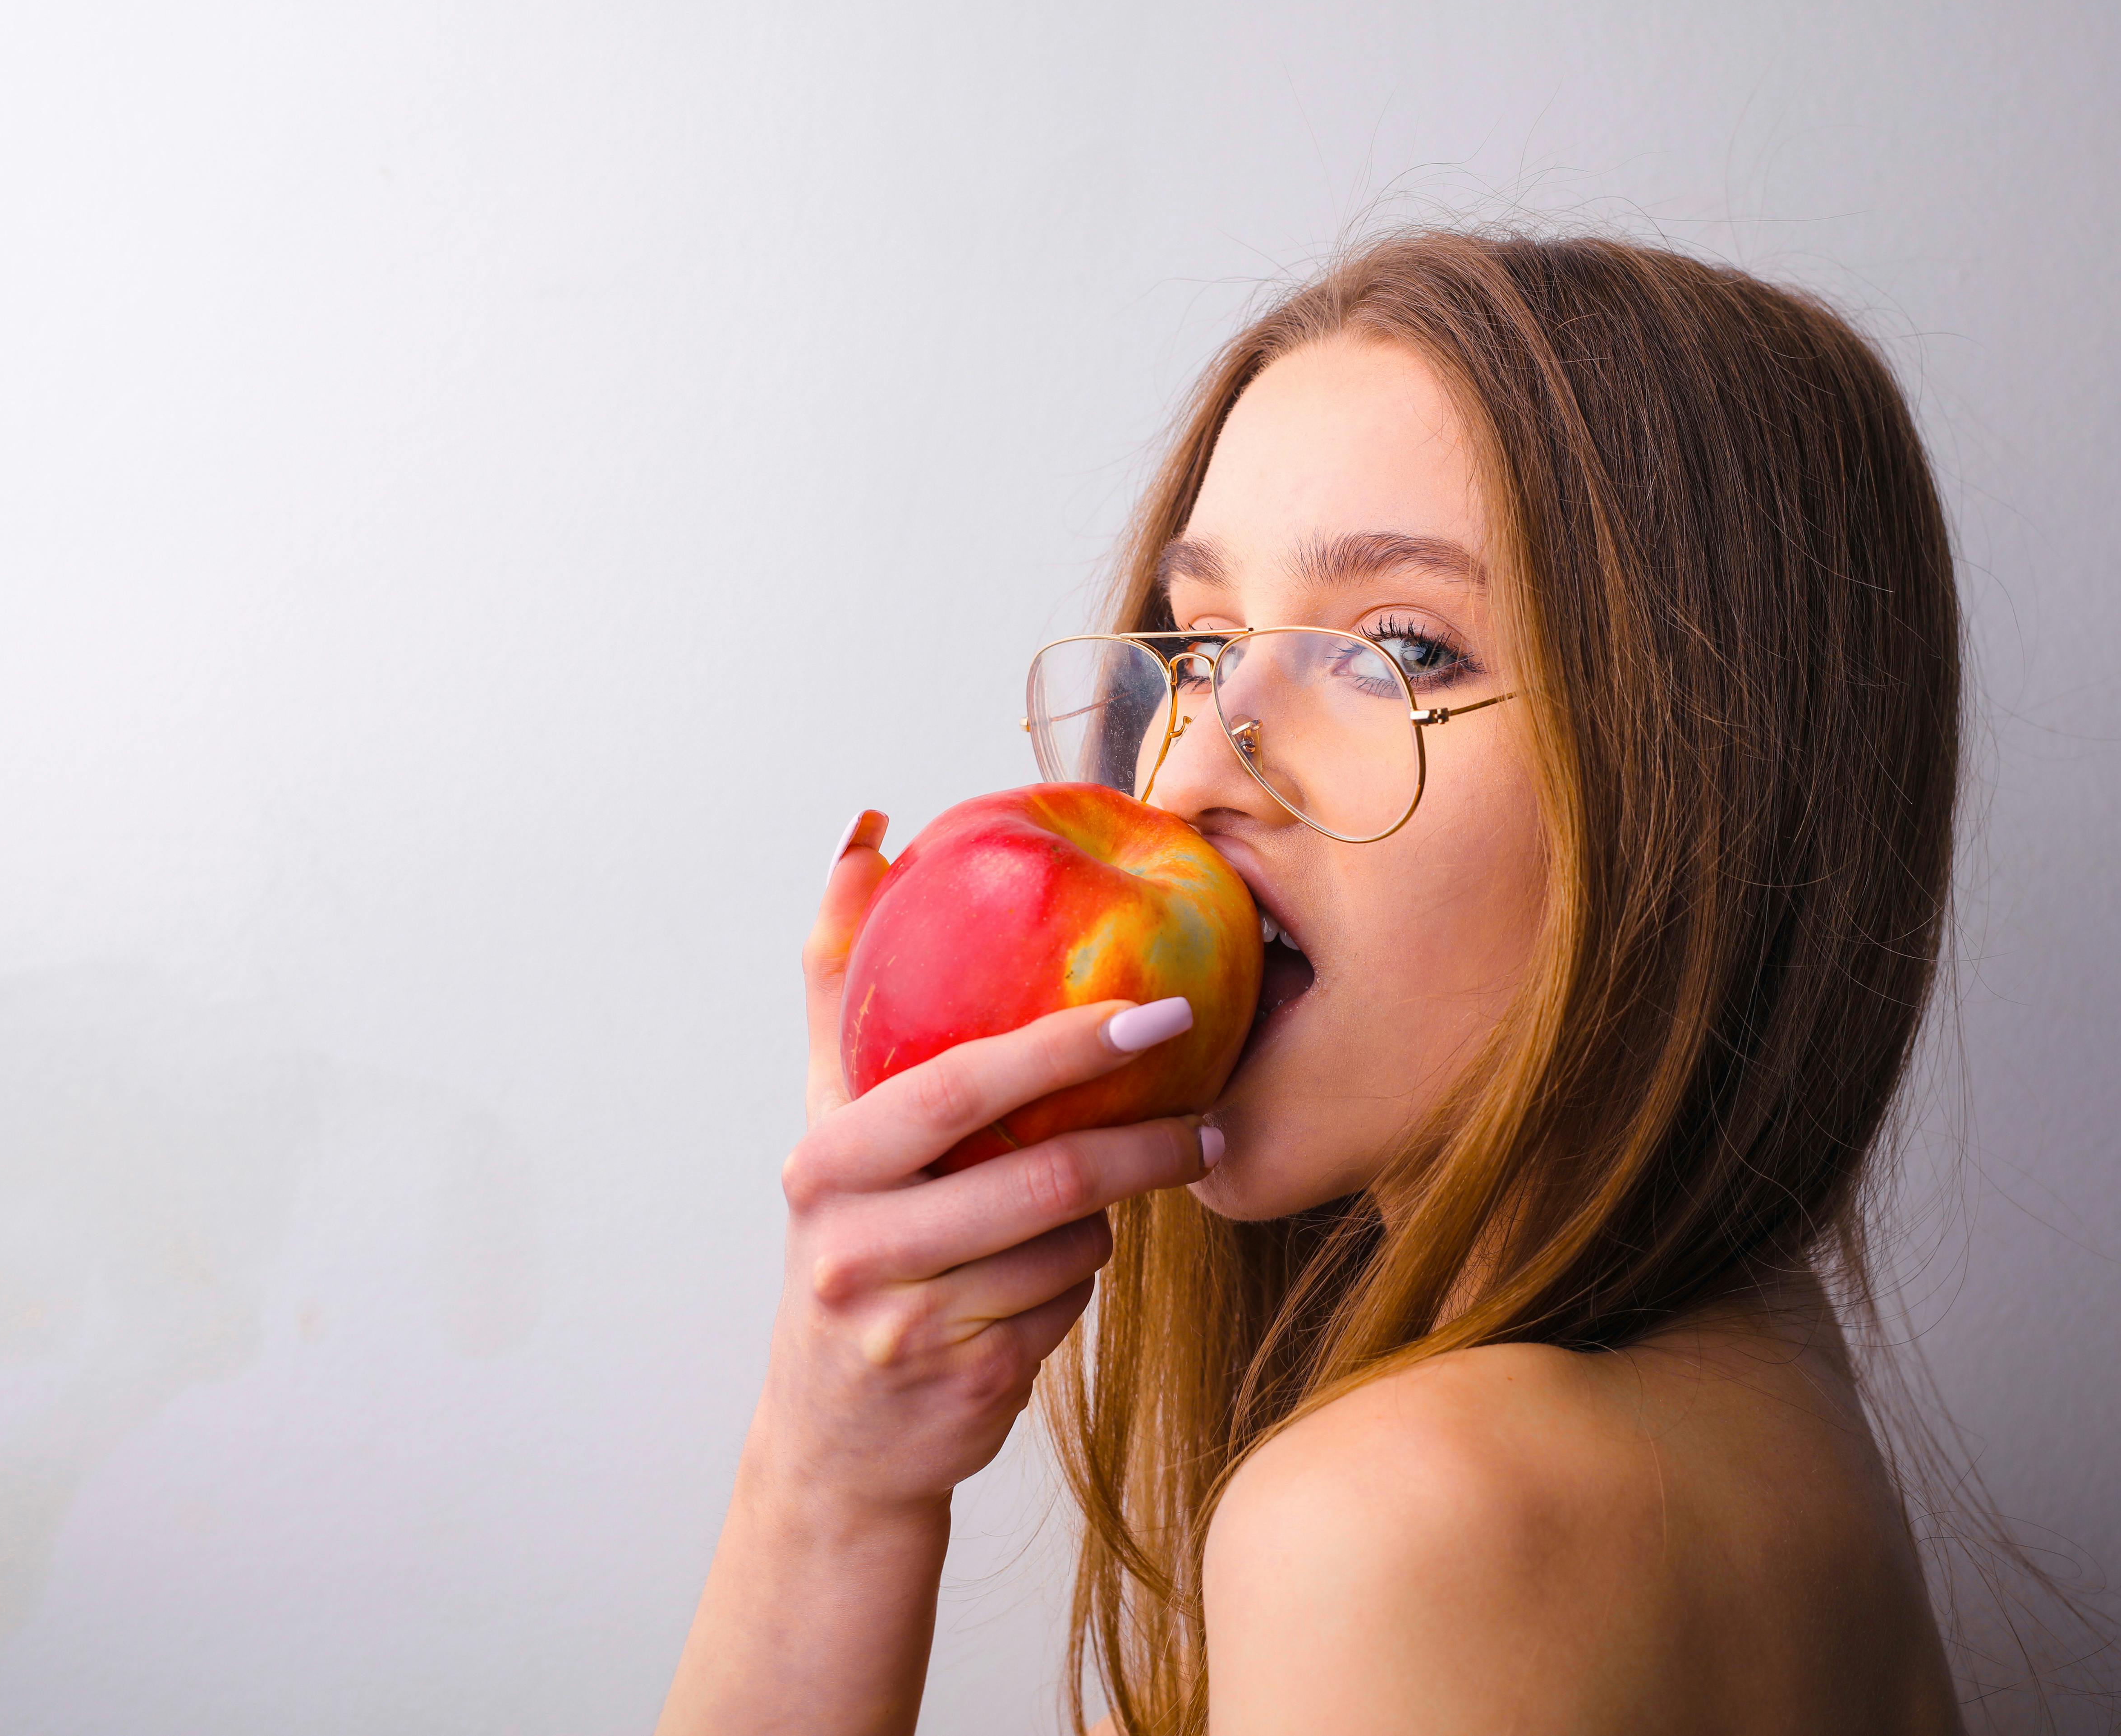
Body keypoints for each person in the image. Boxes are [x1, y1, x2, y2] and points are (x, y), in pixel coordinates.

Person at [660, 230, 1974, 1734]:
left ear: (1715, 790)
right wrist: (840, 1460)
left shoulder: (1402, 1521)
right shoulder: (1759, 1399)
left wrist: (820, 1496)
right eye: (1204, 642)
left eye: (1399, 649)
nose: (1199, 761)